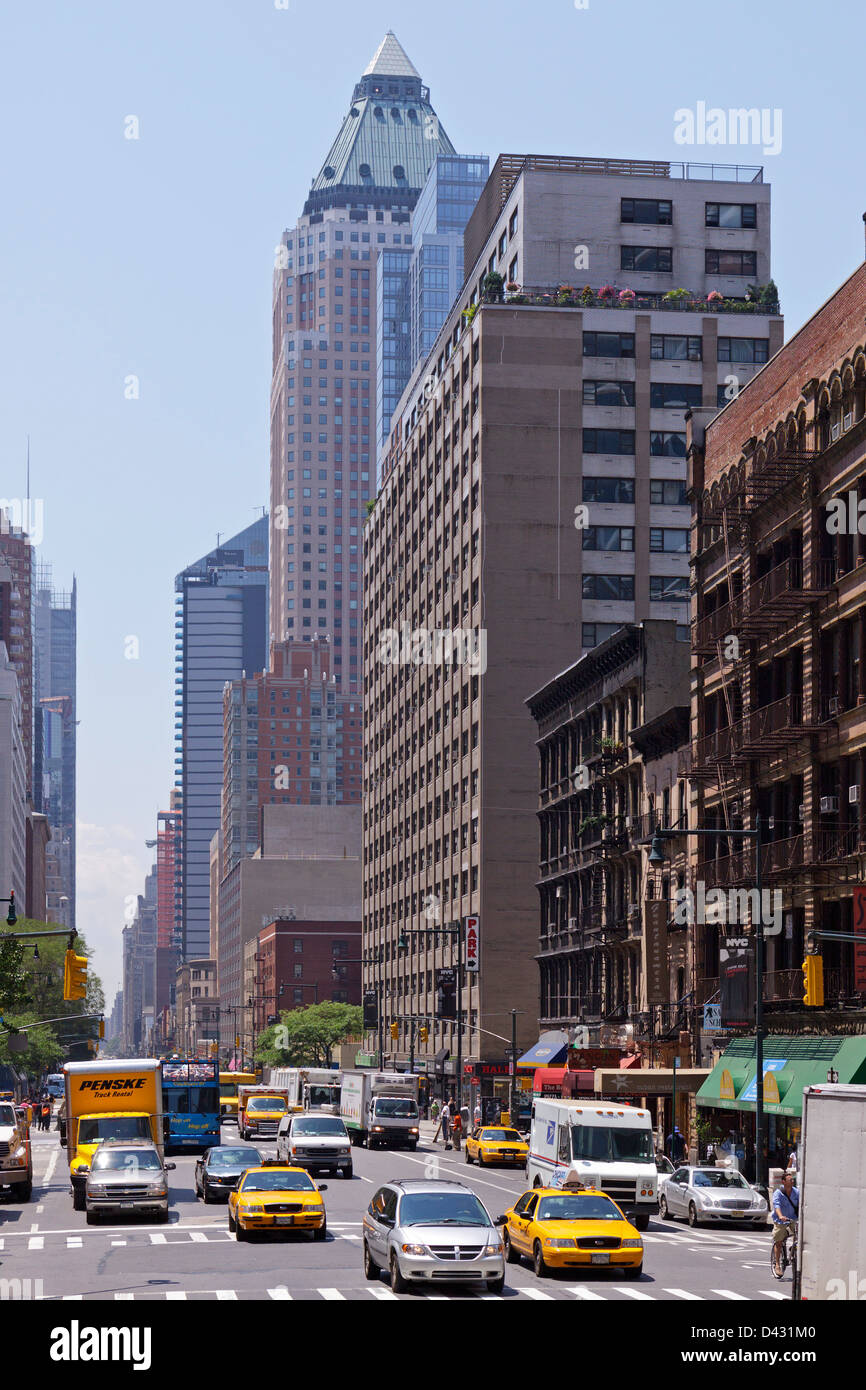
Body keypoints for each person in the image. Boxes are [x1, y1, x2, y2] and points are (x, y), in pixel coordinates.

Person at [771, 1171, 800, 1276]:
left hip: (793, 1219)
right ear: (783, 1182)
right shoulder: (778, 1193)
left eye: (792, 1180)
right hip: (781, 1220)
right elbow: (776, 1206)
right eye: (790, 1180)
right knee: (778, 1241)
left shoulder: (796, 1192)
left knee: (800, 1234)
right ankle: (777, 1264)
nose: (792, 1181)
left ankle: (794, 1247)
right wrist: (780, 1216)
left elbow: (802, 1204)